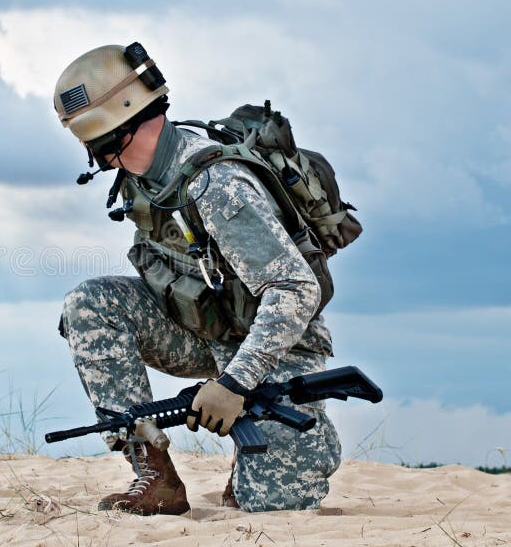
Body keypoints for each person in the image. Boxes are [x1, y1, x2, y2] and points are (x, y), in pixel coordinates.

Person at [53, 43, 341, 515]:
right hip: (200, 332)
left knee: (272, 505)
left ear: (117, 125)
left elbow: (295, 290)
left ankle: (283, 445)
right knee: (90, 304)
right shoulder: (141, 175)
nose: (89, 152)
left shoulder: (216, 183)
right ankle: (156, 476)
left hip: (274, 349)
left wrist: (235, 383)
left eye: (92, 140)